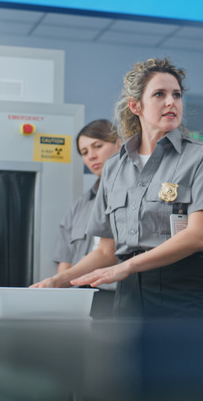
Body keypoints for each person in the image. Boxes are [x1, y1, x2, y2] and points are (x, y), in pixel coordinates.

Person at [33, 58, 203, 318]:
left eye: (177, 95)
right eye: (159, 94)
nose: (171, 102)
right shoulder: (115, 167)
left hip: (185, 288)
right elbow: (105, 252)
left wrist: (126, 267)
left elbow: (197, 237)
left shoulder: (202, 156)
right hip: (129, 294)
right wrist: (55, 282)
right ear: (135, 105)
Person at [50, 119, 121, 318]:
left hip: (119, 297)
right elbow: (65, 263)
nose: (92, 156)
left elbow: (108, 253)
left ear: (119, 144)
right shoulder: (79, 207)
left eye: (97, 146)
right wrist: (56, 287)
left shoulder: (135, 196)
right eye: (84, 152)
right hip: (80, 299)